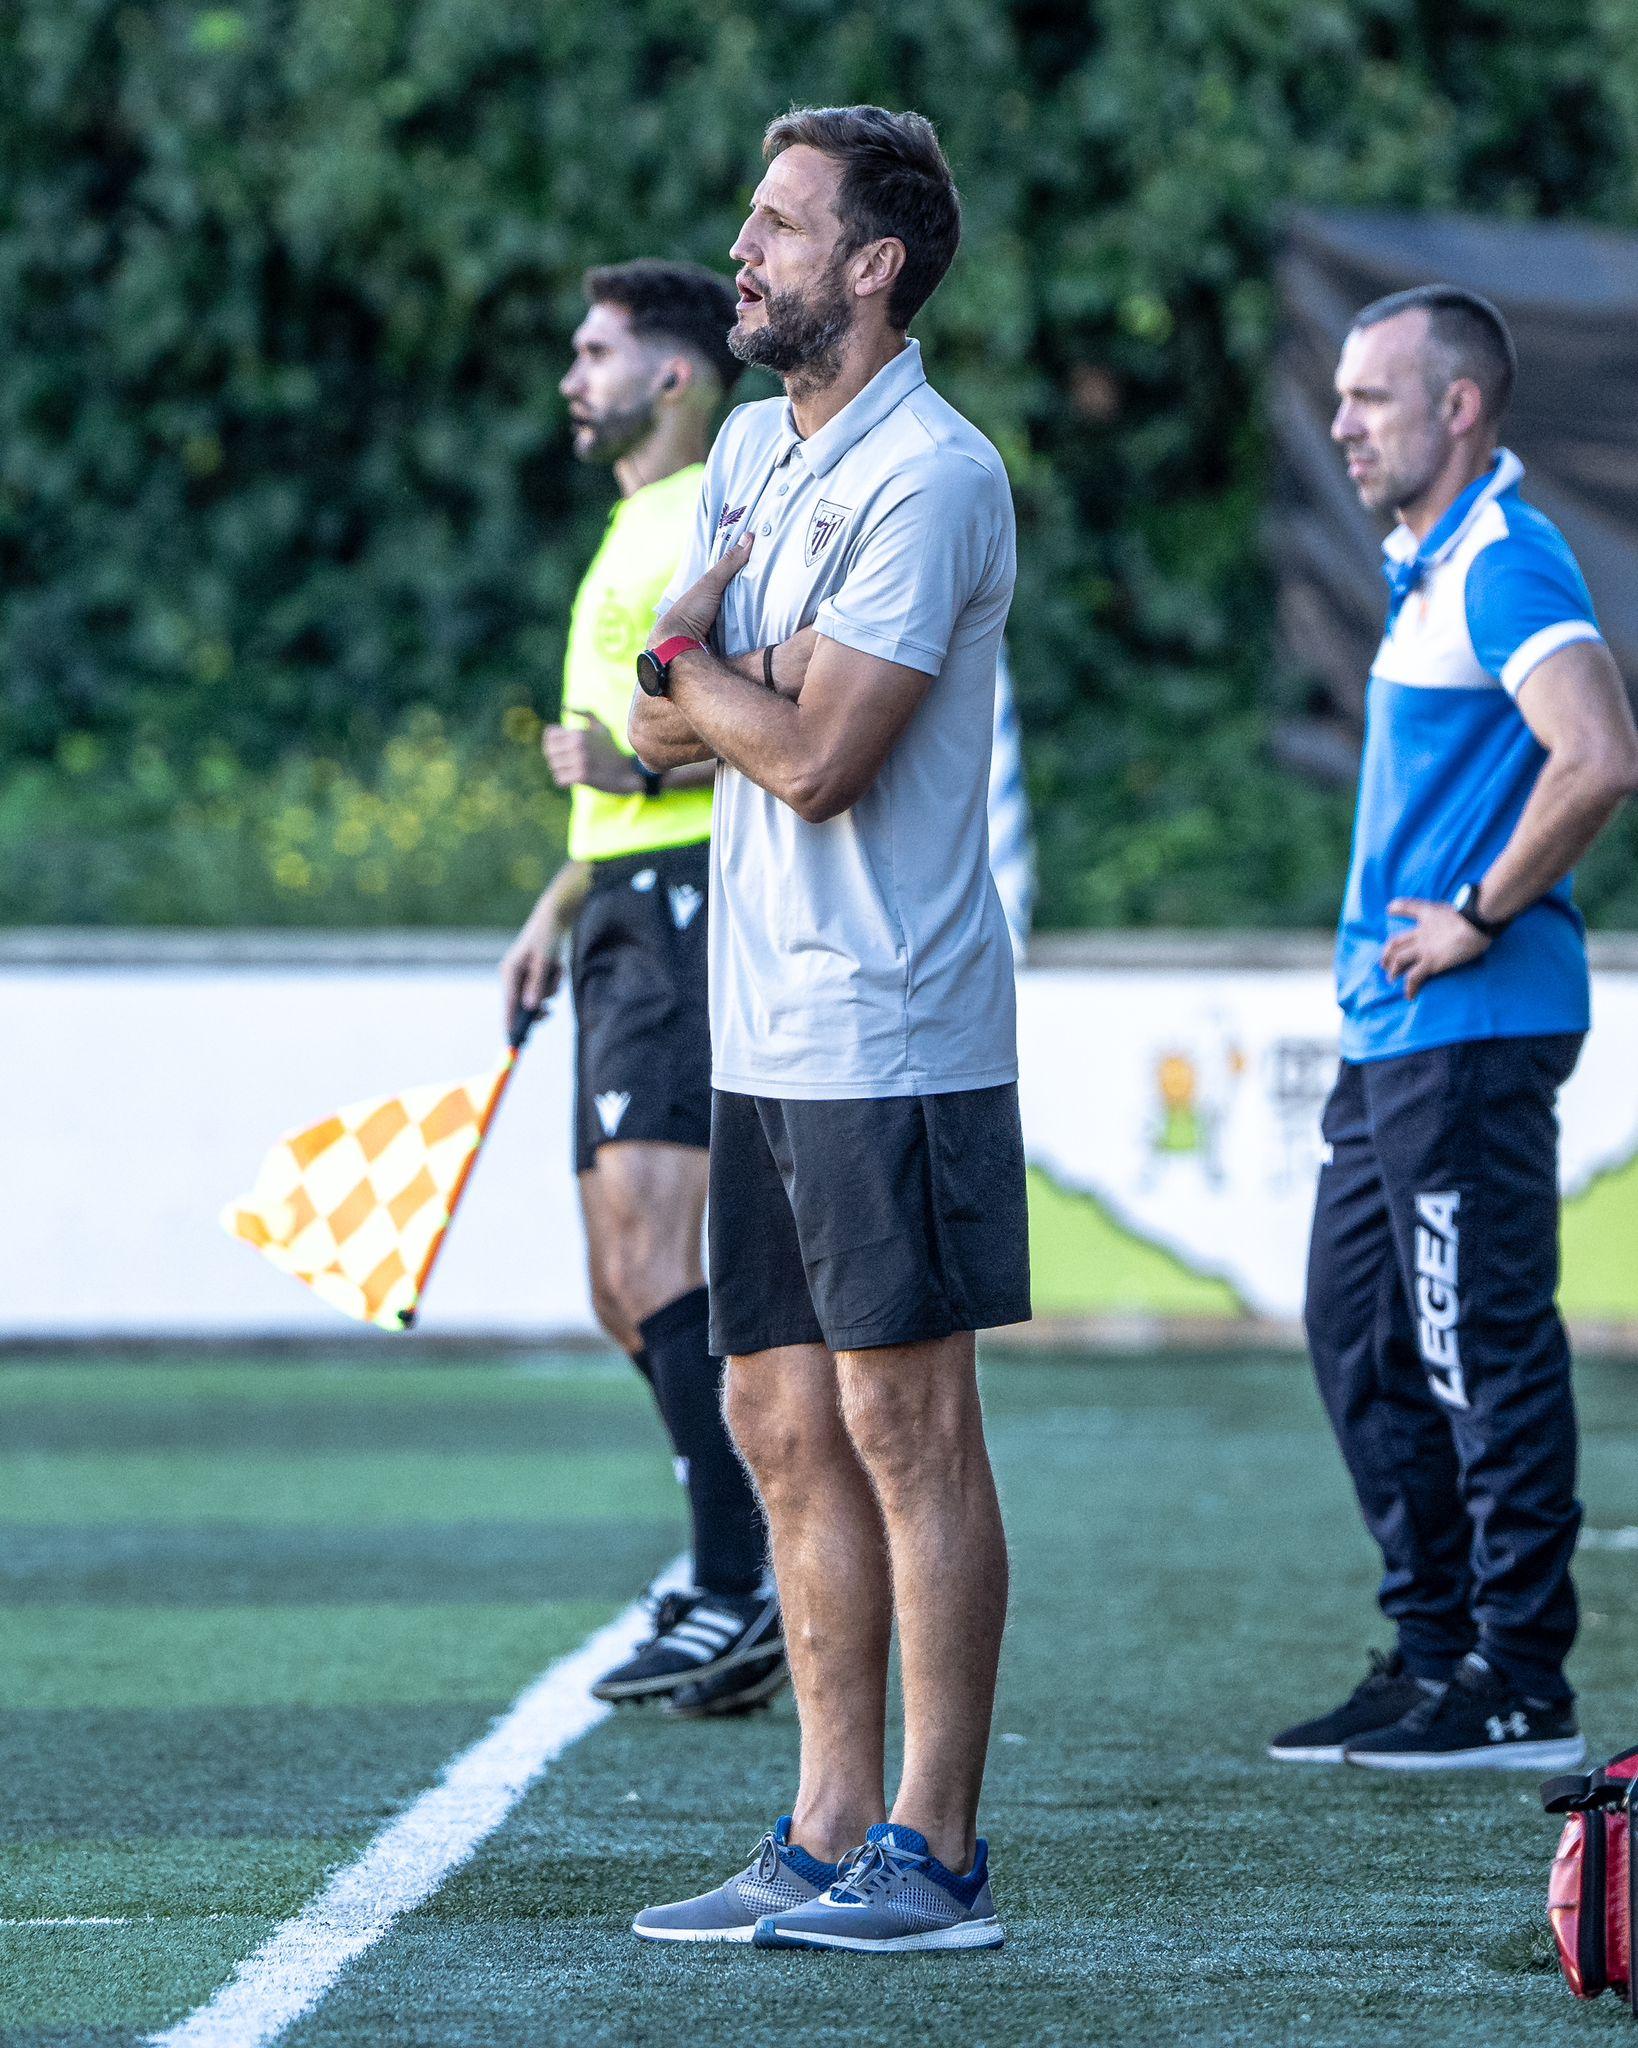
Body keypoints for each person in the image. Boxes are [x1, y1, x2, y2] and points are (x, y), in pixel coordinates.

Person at [624, 103, 1028, 1955]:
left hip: (892, 1028)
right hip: (762, 1023)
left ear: (872, 265)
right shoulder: (745, 461)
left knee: (905, 1424)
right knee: (776, 1418)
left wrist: (723, 675)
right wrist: (727, 682)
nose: (746, 249)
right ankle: (821, 1829)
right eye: (751, 213)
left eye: (779, 224)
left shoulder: (933, 474)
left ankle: (933, 1858)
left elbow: (819, 760)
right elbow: (661, 727)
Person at [1269, 285, 1638, 1772]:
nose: (1342, 420)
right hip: (1392, 1036)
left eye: (1369, 397)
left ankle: (1514, 1679)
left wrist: (1479, 908)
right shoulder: (1428, 568)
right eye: (1342, 397)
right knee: (1356, 1334)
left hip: (1471, 1021)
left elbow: (1598, 752)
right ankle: (1433, 1652)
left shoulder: (1500, 556)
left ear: (1458, 407)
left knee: (1470, 1342)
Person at [501, 261, 785, 1719]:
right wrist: (558, 901)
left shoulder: (712, 517)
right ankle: (741, 1563)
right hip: (615, 905)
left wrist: (641, 771)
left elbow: (760, 724)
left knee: (664, 1251)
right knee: (621, 1282)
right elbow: (614, 779)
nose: (573, 373)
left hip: (682, 907)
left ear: (672, 375)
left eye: (595, 349)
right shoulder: (629, 523)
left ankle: (741, 1581)